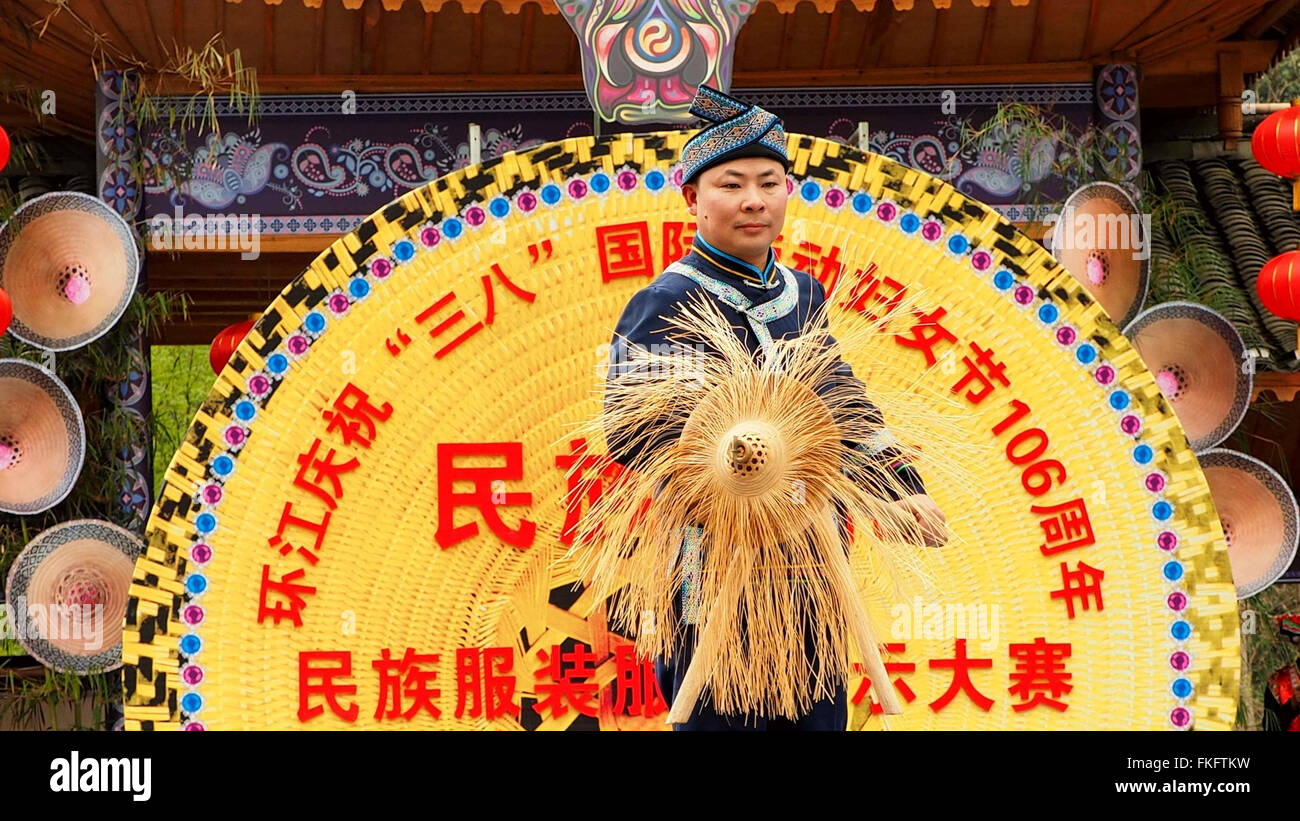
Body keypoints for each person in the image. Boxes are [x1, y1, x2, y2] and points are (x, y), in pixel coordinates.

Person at [604, 85, 947, 730]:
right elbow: (628, 435)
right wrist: (730, 464)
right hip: (713, 567)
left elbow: (843, 405)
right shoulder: (664, 302)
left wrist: (901, 490)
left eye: (769, 182)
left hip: (812, 568)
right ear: (692, 199)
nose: (753, 200)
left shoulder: (801, 293)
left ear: (789, 192)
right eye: (731, 184)